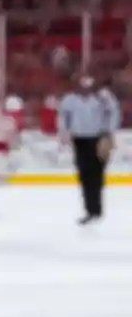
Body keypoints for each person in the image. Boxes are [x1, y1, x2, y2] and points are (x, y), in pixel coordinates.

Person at [59, 75, 121, 225]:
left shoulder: (103, 98)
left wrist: (109, 133)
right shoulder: (70, 100)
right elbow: (63, 117)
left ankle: (96, 208)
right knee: (84, 175)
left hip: (98, 139)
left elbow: (113, 112)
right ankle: (89, 209)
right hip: (79, 139)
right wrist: (64, 132)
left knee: (96, 175)